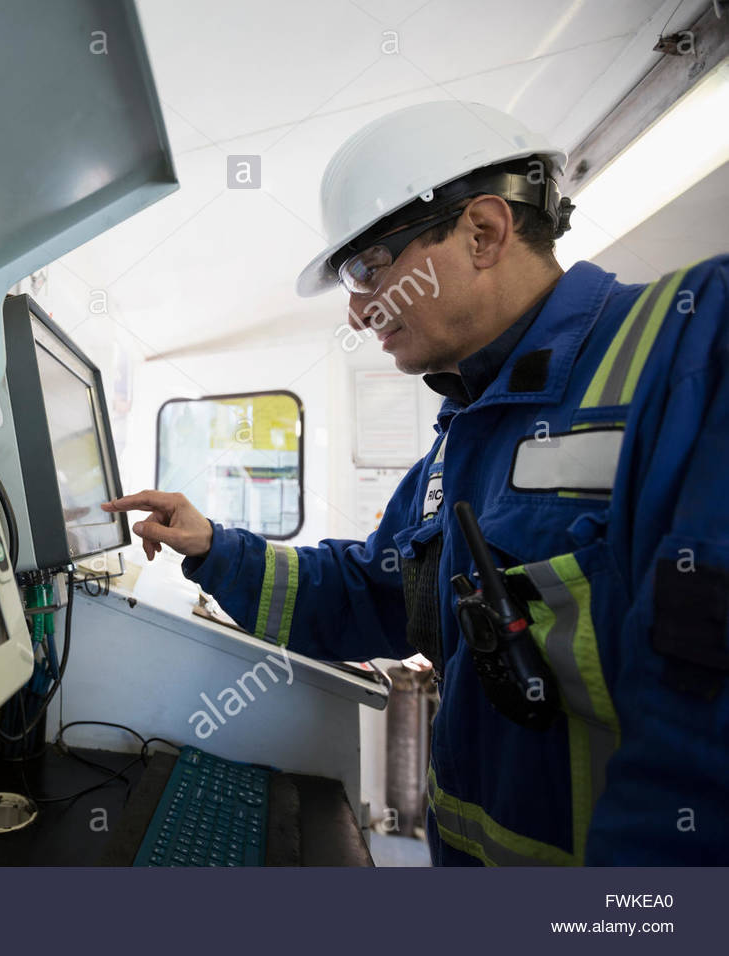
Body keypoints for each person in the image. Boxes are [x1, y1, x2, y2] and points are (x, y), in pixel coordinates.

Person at [102, 101, 729, 865]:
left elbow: (702, 742)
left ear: (483, 232)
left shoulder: (695, 346)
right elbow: (375, 593)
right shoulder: (462, 435)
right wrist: (215, 549)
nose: (362, 311)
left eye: (369, 270)